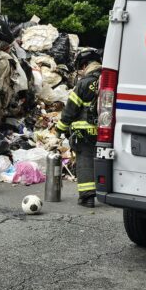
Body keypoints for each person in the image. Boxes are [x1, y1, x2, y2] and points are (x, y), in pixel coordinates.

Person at [56, 48, 103, 208]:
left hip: (84, 132)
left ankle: (87, 196)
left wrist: (60, 128)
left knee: (85, 161)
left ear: (84, 65)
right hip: (104, 132)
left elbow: (70, 109)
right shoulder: (107, 80)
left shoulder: (84, 83)